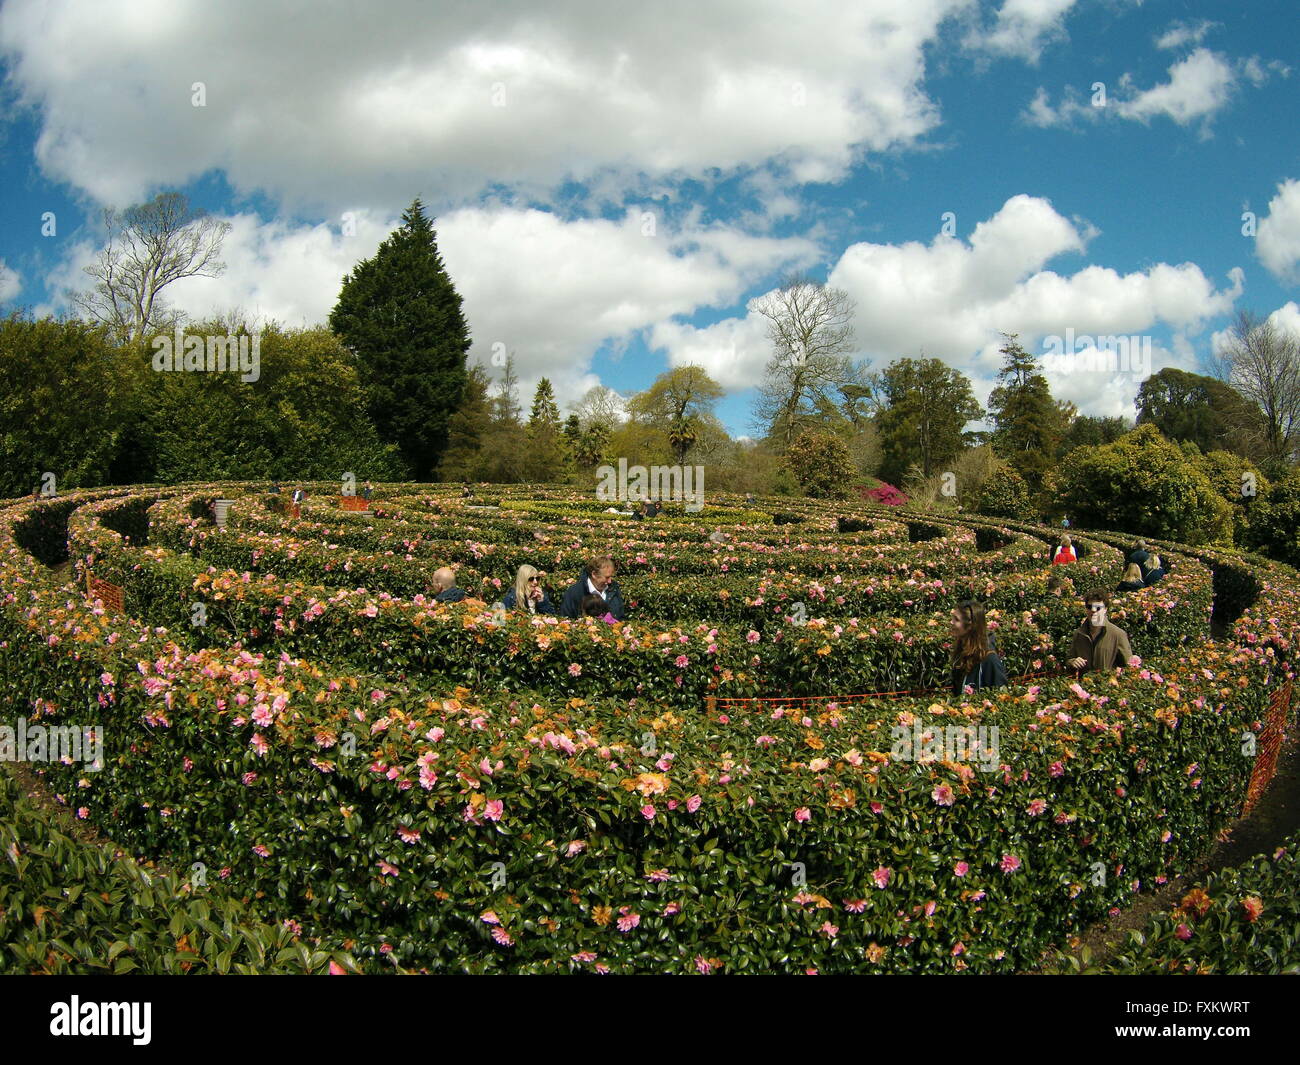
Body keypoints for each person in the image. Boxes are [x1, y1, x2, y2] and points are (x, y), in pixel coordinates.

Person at [949, 600, 1008, 695]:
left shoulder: (989, 659)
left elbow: (1001, 697)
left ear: (970, 625)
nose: (951, 622)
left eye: (956, 619)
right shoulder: (962, 653)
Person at [1068, 589, 1133, 673]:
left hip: (1107, 684)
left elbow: (1129, 667)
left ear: (1105, 609)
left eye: (1098, 608)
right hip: (1084, 684)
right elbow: (1069, 660)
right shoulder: (1078, 634)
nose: (1093, 610)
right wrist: (1072, 662)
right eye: (1089, 607)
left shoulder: (1118, 635)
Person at [560, 555, 626, 621]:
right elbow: (566, 620)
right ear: (594, 574)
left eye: (611, 577)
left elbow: (621, 617)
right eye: (607, 577)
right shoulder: (574, 592)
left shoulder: (614, 588)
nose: (610, 581)